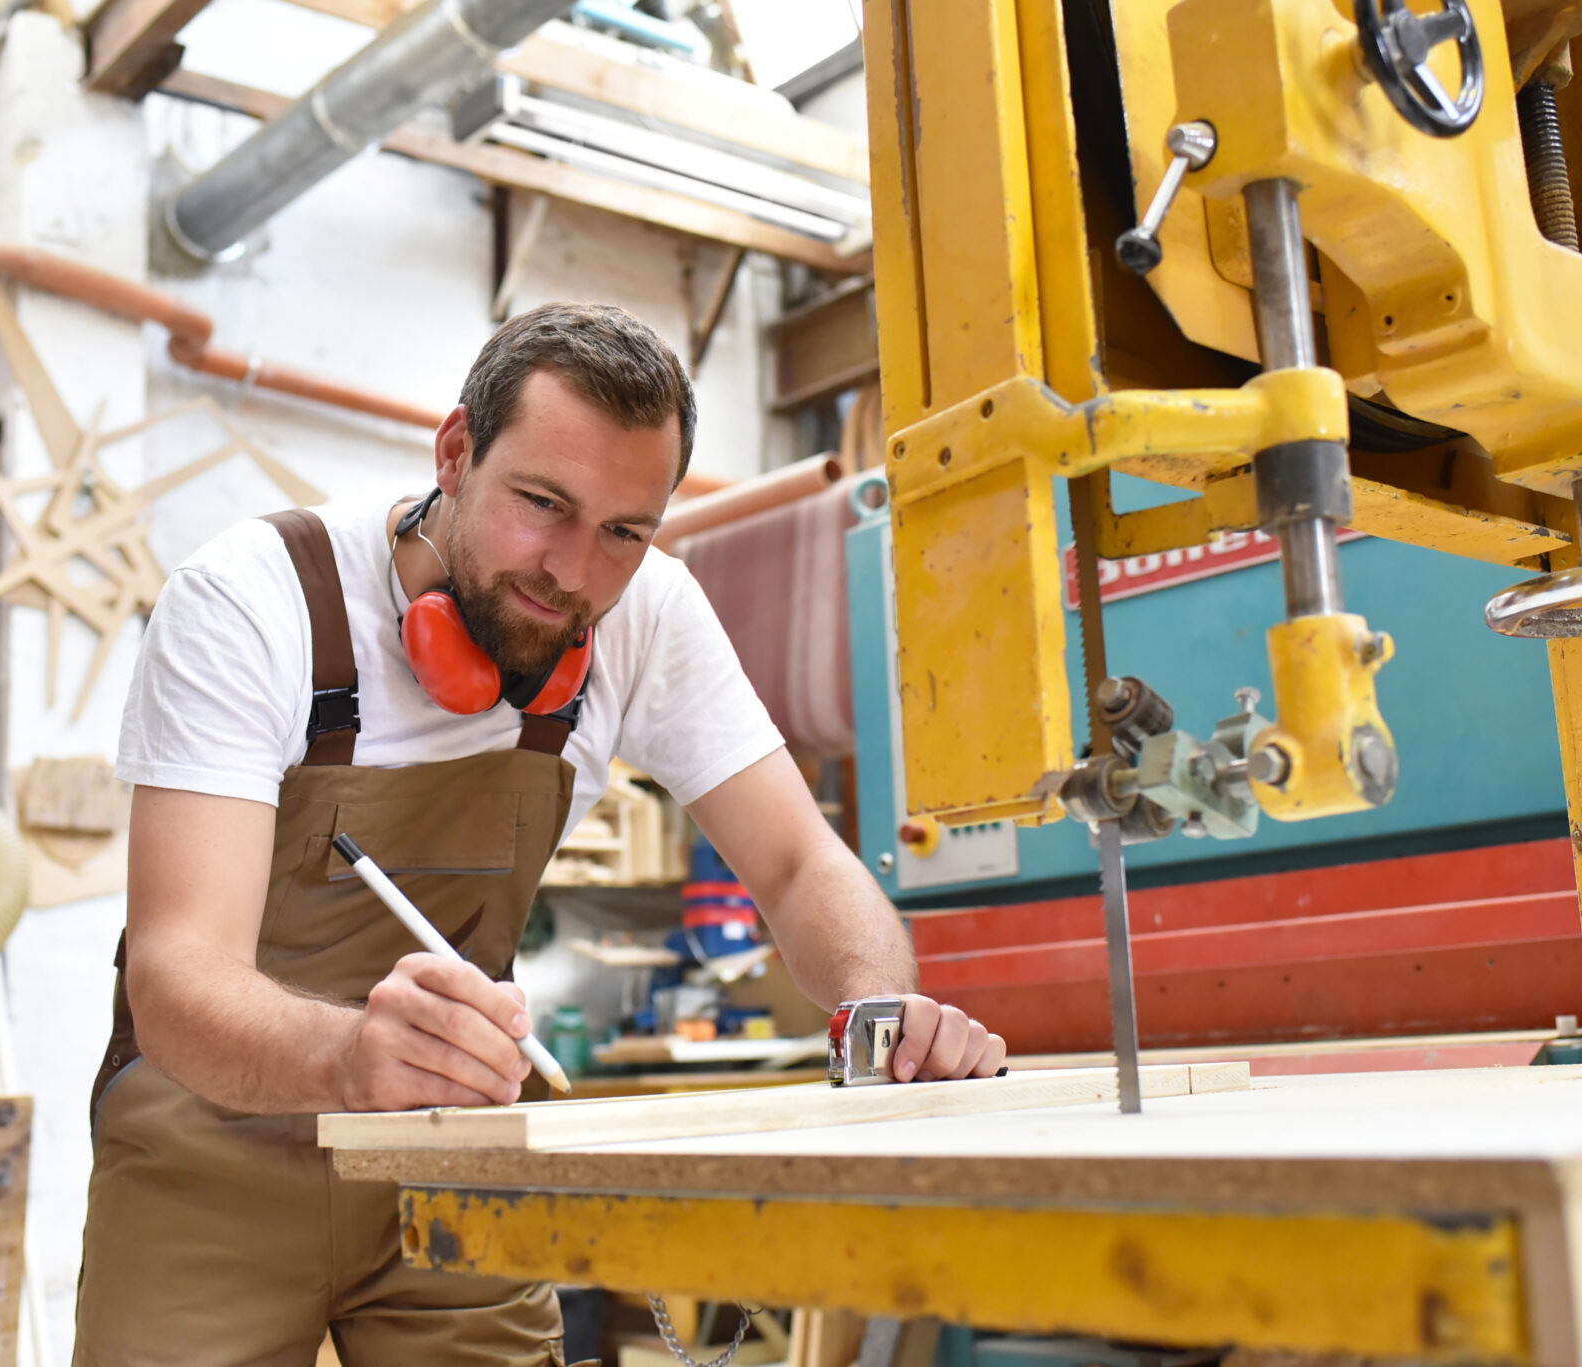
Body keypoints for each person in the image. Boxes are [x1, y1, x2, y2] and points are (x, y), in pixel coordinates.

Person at [74, 302, 1006, 1366]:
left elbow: (797, 864)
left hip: (452, 1158)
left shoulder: (644, 612)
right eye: (541, 503)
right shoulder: (254, 600)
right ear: (456, 452)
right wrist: (349, 1058)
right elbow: (178, 978)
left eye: (623, 530)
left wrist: (875, 1020)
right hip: (209, 1163)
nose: (571, 570)